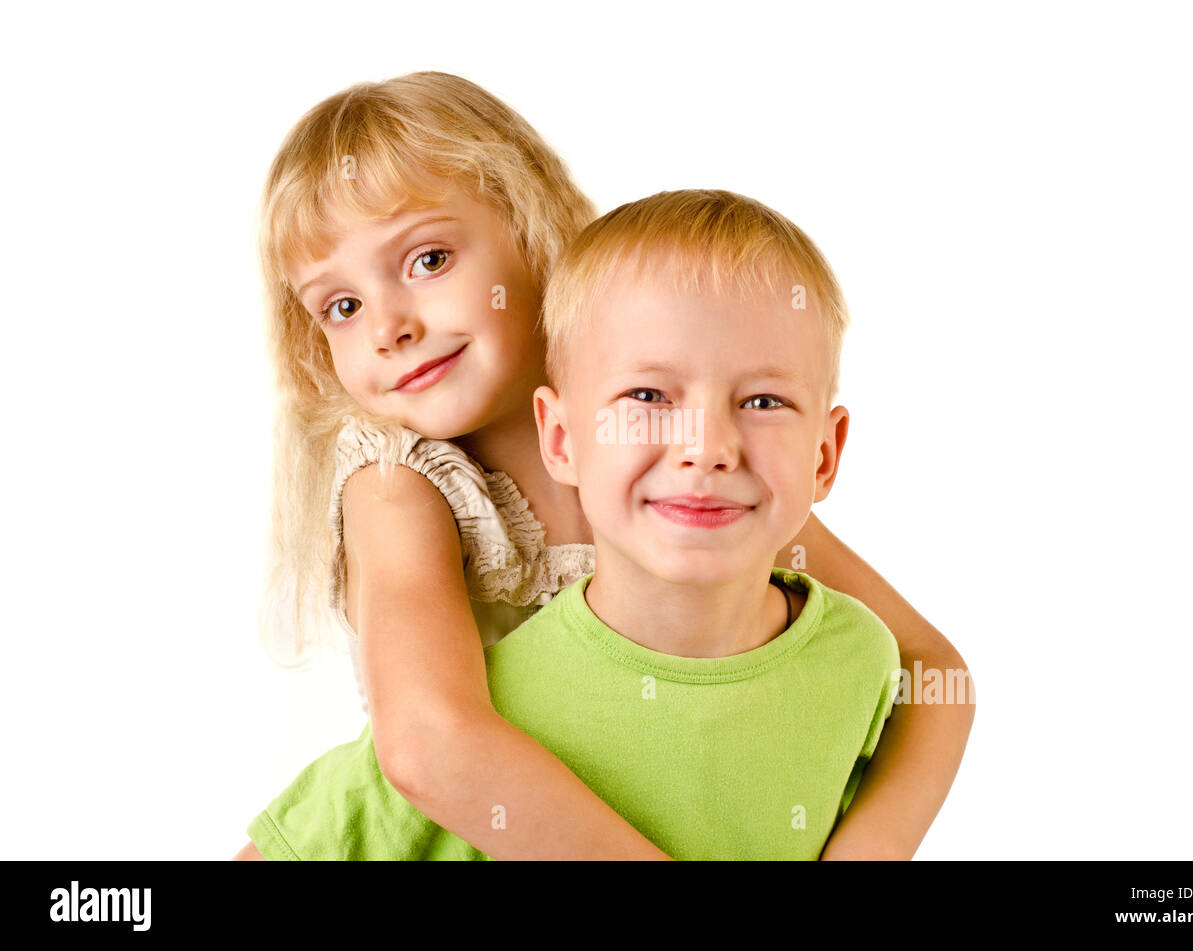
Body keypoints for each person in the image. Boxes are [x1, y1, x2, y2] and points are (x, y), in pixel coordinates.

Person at [235, 71, 973, 861]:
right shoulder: (399, 480)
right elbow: (425, 744)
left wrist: (870, 847)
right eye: (340, 306)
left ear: (530, 224)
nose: (388, 327)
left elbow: (933, 674)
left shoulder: (682, 468)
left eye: (428, 258)